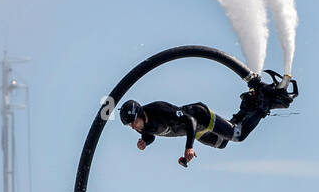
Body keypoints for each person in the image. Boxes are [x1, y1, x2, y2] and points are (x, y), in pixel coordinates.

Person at [118, 72, 294, 168]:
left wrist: (188, 148)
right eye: (130, 126)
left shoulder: (159, 110)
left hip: (200, 117)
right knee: (222, 143)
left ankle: (265, 106)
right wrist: (145, 142)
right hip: (198, 132)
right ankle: (248, 105)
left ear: (140, 113)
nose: (134, 128)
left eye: (134, 123)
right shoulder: (140, 126)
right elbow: (151, 134)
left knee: (237, 135)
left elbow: (190, 121)